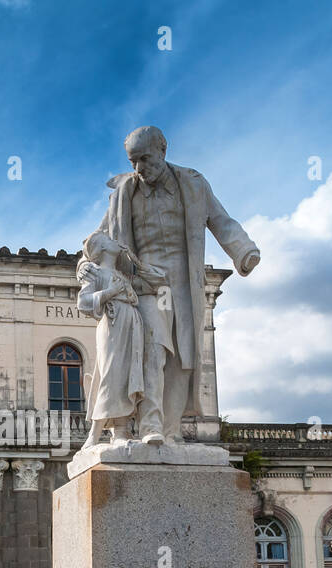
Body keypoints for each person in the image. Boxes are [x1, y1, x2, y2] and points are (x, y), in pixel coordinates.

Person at [98, 125, 260, 444]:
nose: (139, 168)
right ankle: (150, 425)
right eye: (133, 162)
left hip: (184, 281)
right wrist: (90, 264)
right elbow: (100, 237)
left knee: (182, 356)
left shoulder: (193, 184)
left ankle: (169, 430)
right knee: (155, 347)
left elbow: (221, 221)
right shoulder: (124, 194)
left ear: (163, 150)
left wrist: (244, 250)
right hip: (147, 283)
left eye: (144, 159)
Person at [76, 230, 156, 448]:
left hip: (131, 322)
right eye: (108, 240)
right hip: (112, 323)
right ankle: (94, 434)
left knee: (127, 375)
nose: (115, 241)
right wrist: (109, 292)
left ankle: (121, 430)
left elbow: (154, 285)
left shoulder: (124, 274)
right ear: (101, 249)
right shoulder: (95, 272)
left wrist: (136, 261)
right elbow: (83, 302)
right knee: (110, 375)